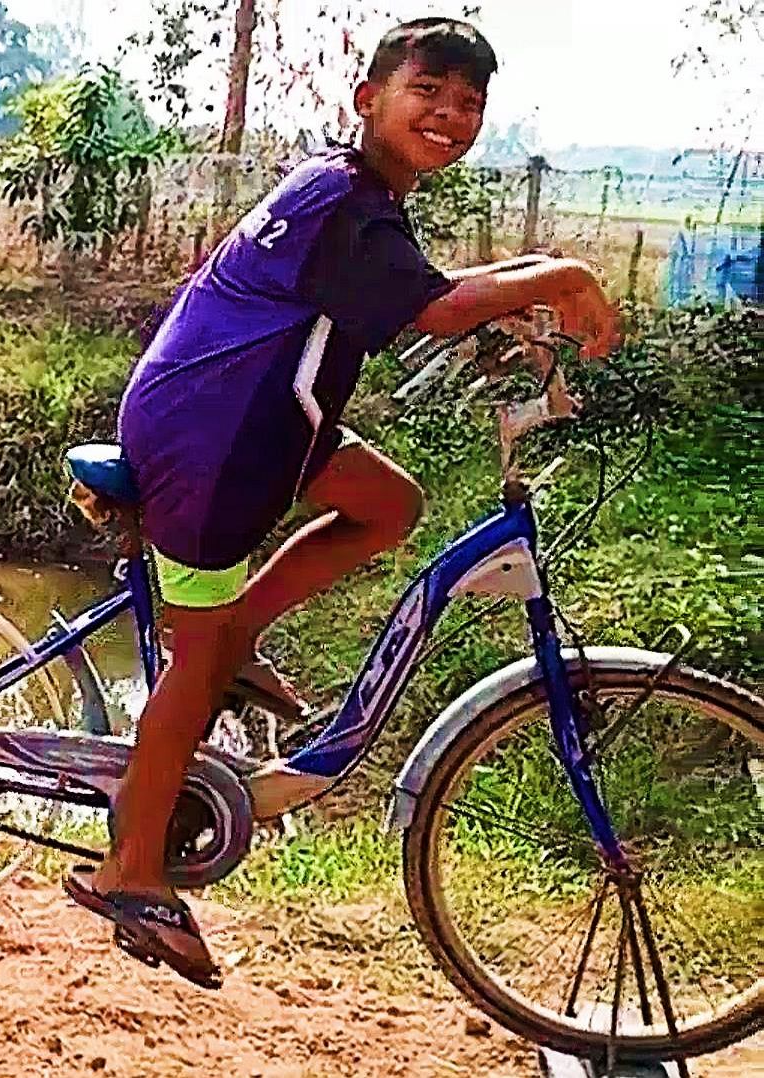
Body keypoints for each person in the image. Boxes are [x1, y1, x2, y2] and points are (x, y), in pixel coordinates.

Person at [65, 17, 622, 988]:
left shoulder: (356, 195)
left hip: (259, 422)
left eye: (468, 102)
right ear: (370, 100)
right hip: (217, 440)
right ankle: (131, 870)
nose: (448, 114)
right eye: (427, 92)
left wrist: (516, 300)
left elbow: (416, 294)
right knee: (193, 667)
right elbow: (437, 307)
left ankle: (238, 635)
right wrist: (562, 274)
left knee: (388, 505)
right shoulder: (346, 203)